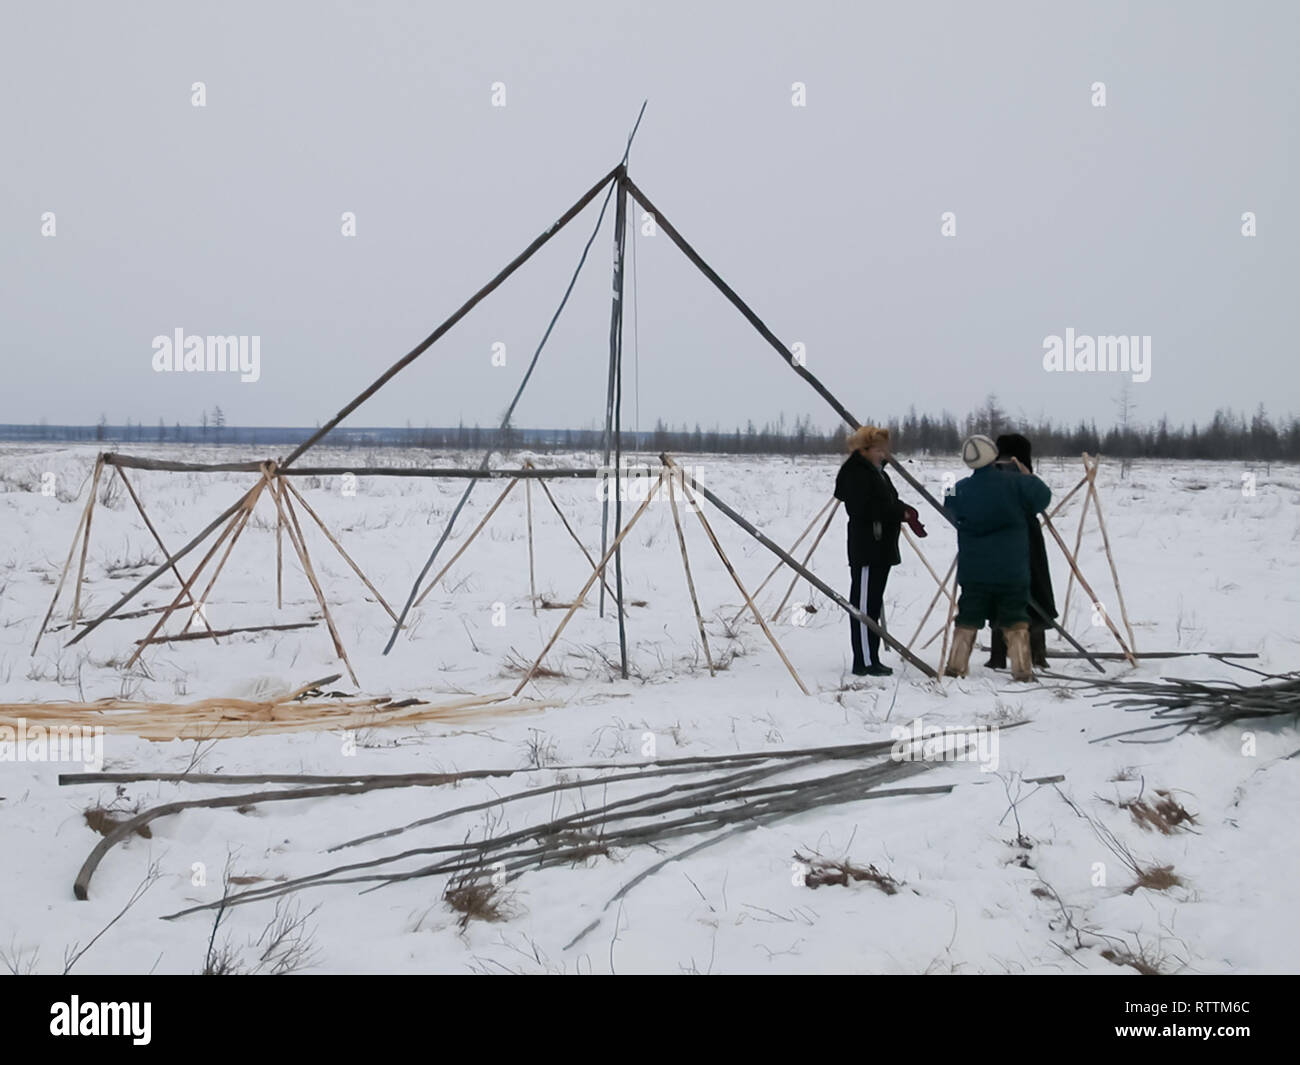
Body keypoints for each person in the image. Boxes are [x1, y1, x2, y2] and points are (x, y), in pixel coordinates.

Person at [944, 434, 1051, 681]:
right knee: (1015, 619)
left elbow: (948, 501)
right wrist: (1027, 475)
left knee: (968, 617)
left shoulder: (959, 488)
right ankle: (1022, 670)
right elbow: (1043, 497)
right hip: (1011, 569)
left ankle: (956, 666)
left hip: (974, 570)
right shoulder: (1016, 484)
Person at [834, 425, 927, 676]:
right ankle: (863, 661)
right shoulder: (856, 473)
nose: (884, 454)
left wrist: (905, 510)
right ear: (865, 450)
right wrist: (898, 513)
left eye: (885, 449)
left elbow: (887, 502)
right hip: (867, 548)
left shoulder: (877, 473)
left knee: (872, 604)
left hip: (880, 547)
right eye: (879, 449)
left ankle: (871, 656)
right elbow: (863, 509)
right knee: (864, 606)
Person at [985, 434, 1057, 671]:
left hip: (998, 542)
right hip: (1025, 541)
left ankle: (999, 655)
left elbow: (957, 496)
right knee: (1033, 591)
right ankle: (1036, 655)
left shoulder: (989, 473)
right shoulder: (1021, 475)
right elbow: (1040, 500)